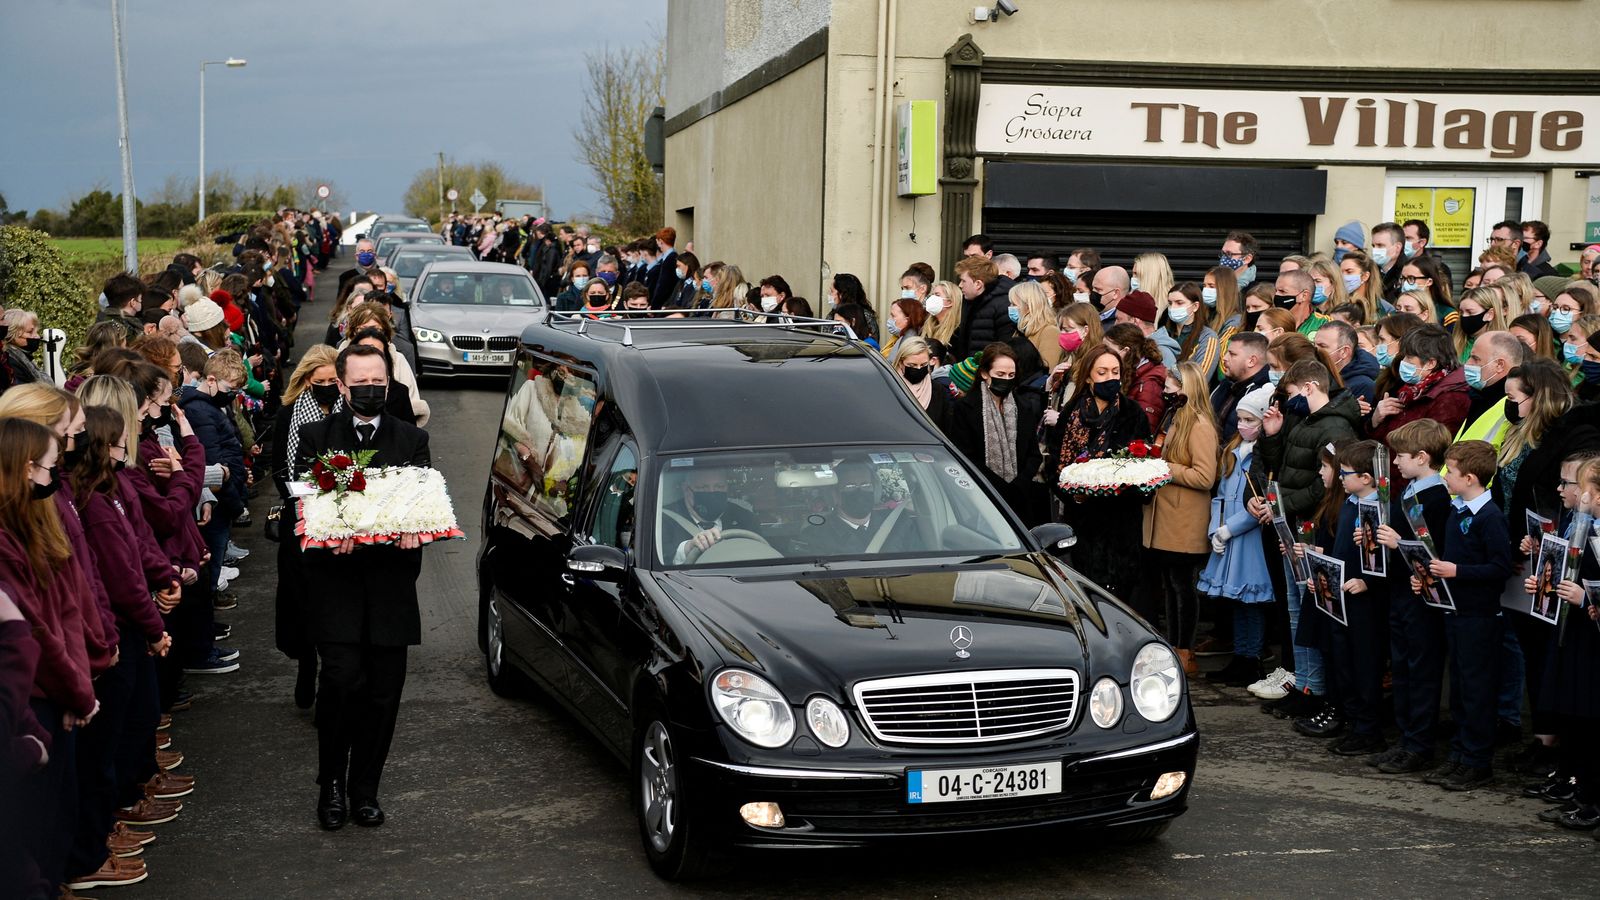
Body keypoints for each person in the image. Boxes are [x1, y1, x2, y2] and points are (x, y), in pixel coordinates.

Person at [294, 344, 432, 831]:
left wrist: (408, 519)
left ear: (390, 383)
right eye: (362, 382)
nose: (372, 389)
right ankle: (330, 784)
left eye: (380, 380)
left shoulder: (412, 438)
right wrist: (363, 507)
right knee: (340, 682)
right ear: (343, 385)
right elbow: (317, 499)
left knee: (383, 694)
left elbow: (420, 499)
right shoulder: (315, 436)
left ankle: (365, 790)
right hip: (336, 588)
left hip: (392, 589)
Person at [1493, 358, 1600, 777]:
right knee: (1533, 649)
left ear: (1539, 397)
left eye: (1515, 398)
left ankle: (1559, 747)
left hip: (1556, 555)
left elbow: (1573, 493)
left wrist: (1543, 541)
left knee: (1551, 654)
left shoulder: (1576, 434)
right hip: (1523, 552)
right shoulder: (1524, 431)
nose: (1509, 406)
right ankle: (1544, 739)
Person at [1252, 359, 1360, 720]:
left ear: (1310, 388)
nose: (1289, 401)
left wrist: (1283, 507)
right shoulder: (1308, 421)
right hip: (1292, 523)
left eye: (1293, 393)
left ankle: (1315, 688)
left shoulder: (1333, 425)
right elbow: (1284, 466)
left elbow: (1324, 483)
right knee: (1297, 610)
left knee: (1307, 610)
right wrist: (1274, 434)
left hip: (1309, 525)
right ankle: (1304, 684)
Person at [1422, 440, 1514, 791]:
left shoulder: (1490, 518)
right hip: (1455, 611)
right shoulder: (1457, 510)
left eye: (1452, 472)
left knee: (1477, 689)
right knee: (1460, 686)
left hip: (1479, 615)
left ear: (1471, 478)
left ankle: (1477, 760)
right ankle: (1460, 754)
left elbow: (1499, 568)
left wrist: (1457, 572)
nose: (1445, 476)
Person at [1367, 420, 1455, 774]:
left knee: (1421, 670)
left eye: (1401, 456)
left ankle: (1420, 744)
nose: (1396, 462)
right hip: (1400, 590)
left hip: (1422, 596)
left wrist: (1397, 543)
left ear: (1422, 457)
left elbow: (1434, 551)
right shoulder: (1408, 490)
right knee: (1402, 666)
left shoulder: (1436, 499)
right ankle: (1405, 739)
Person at [270, 346, 341, 709]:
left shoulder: (351, 411)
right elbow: (280, 469)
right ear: (307, 381)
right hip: (298, 517)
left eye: (333, 380)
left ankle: (329, 670)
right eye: (320, 382)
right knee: (302, 597)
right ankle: (306, 662)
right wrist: (306, 494)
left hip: (342, 521)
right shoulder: (289, 414)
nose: (327, 386)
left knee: (333, 598)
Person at [1053, 342, 1152, 597]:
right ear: (1088, 376)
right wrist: (1075, 495)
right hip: (1083, 520)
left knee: (1120, 594)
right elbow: (1056, 466)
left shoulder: (1132, 413)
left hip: (1121, 523)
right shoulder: (1071, 414)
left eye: (1115, 372)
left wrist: (1118, 488)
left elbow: (1145, 469)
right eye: (1103, 372)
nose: (1111, 378)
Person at [1142, 362, 1220, 675]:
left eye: (1172, 385)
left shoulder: (1199, 424)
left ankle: (1184, 652)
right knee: (1171, 585)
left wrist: (1166, 469)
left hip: (1184, 519)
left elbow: (1205, 476)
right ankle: (1174, 648)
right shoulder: (1175, 416)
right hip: (1167, 517)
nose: (1165, 390)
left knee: (1182, 586)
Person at [1199, 383, 1276, 686]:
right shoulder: (1232, 452)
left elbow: (1257, 503)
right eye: (1241, 420)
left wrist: (1229, 529)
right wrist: (1215, 530)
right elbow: (1220, 495)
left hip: (1248, 539)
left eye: (1250, 420)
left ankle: (1252, 658)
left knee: (1250, 601)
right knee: (1235, 602)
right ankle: (1241, 655)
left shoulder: (1260, 455)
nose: (1243, 425)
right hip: (1228, 535)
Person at [1322, 440, 1393, 757]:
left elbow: (1384, 561)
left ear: (1366, 478)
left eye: (1345, 473)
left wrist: (1367, 582)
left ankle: (1369, 728)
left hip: (1365, 601)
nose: (1340, 478)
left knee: (1366, 664)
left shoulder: (1380, 508)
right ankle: (1354, 722)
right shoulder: (1350, 502)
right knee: (1344, 660)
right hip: (1340, 597)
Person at [948, 343, 1045, 526]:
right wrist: (1000, 487)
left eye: (1011, 375)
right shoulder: (966, 408)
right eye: (1000, 375)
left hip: (1020, 500)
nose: (1006, 380)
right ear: (985, 373)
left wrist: (1018, 485)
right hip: (981, 499)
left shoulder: (1023, 408)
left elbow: (1033, 454)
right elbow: (966, 456)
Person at [1369, 325, 1471, 451]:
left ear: (1430, 363)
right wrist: (1376, 421)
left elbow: (1429, 449)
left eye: (1409, 358)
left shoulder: (1451, 398)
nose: (1403, 361)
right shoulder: (1414, 388)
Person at [659, 465, 759, 565]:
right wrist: (688, 548)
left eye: (719, 486)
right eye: (703, 487)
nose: (712, 492)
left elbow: (761, 554)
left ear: (727, 487)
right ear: (686, 489)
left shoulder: (744, 518)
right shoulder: (663, 519)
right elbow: (659, 561)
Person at [1102, 322, 1168, 433]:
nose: (1103, 354)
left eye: (1107, 349)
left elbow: (1144, 431)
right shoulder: (1130, 371)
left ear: (1125, 351)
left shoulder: (1149, 384)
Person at [951, 256, 1015, 361]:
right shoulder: (969, 300)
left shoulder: (1003, 305)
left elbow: (1004, 348)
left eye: (963, 281)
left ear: (978, 284)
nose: (960, 285)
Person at [1210, 331, 1271, 440]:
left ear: (1251, 361)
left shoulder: (1262, 395)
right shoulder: (1226, 383)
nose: (1224, 358)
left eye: (1232, 354)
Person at [1313, 320, 1379, 407]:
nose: (1315, 350)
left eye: (1322, 346)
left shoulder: (1363, 385)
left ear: (1344, 351)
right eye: (1314, 345)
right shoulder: (1317, 372)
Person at [891, 337, 947, 429]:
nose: (918, 368)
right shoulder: (890, 387)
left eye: (924, 365)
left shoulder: (938, 391)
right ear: (901, 363)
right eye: (912, 365)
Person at [1007, 281, 1061, 371]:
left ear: (1028, 306)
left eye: (1014, 304)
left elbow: (1047, 370)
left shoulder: (1050, 332)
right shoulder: (1020, 331)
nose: (1010, 307)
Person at [880, 296, 928, 361]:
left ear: (907, 320)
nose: (889, 319)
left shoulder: (909, 342)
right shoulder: (898, 337)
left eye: (893, 316)